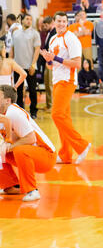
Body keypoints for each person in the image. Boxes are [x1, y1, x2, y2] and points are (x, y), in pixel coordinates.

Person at [41, 11, 91, 165]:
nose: (61, 24)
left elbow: (76, 63)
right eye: (59, 21)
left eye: (64, 21)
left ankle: (82, 146)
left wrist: (55, 58)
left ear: (67, 23)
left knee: (57, 115)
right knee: (64, 118)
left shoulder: (71, 39)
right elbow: (51, 66)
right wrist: (49, 60)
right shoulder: (53, 39)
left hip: (67, 81)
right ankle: (65, 155)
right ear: (54, 22)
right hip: (57, 80)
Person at [0, 85, 56, 202]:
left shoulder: (13, 113)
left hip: (46, 155)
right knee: (2, 150)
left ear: (7, 100)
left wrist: (9, 148)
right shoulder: (4, 115)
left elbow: (31, 139)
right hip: (31, 154)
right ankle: (11, 185)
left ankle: (32, 191)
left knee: (19, 150)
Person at [10, 14, 41, 119]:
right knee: (17, 90)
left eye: (31, 19)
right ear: (22, 20)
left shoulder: (35, 34)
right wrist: (10, 63)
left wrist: (33, 64)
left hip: (30, 67)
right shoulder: (15, 33)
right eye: (27, 19)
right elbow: (12, 49)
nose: (29, 21)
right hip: (17, 67)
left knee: (32, 90)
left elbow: (37, 50)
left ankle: (33, 111)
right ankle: (20, 111)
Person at [42, 16, 56, 112]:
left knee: (50, 85)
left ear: (51, 23)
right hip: (47, 62)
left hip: (52, 63)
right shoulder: (49, 33)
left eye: (46, 25)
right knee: (47, 84)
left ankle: (52, 106)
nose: (45, 27)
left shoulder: (54, 33)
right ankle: (48, 104)